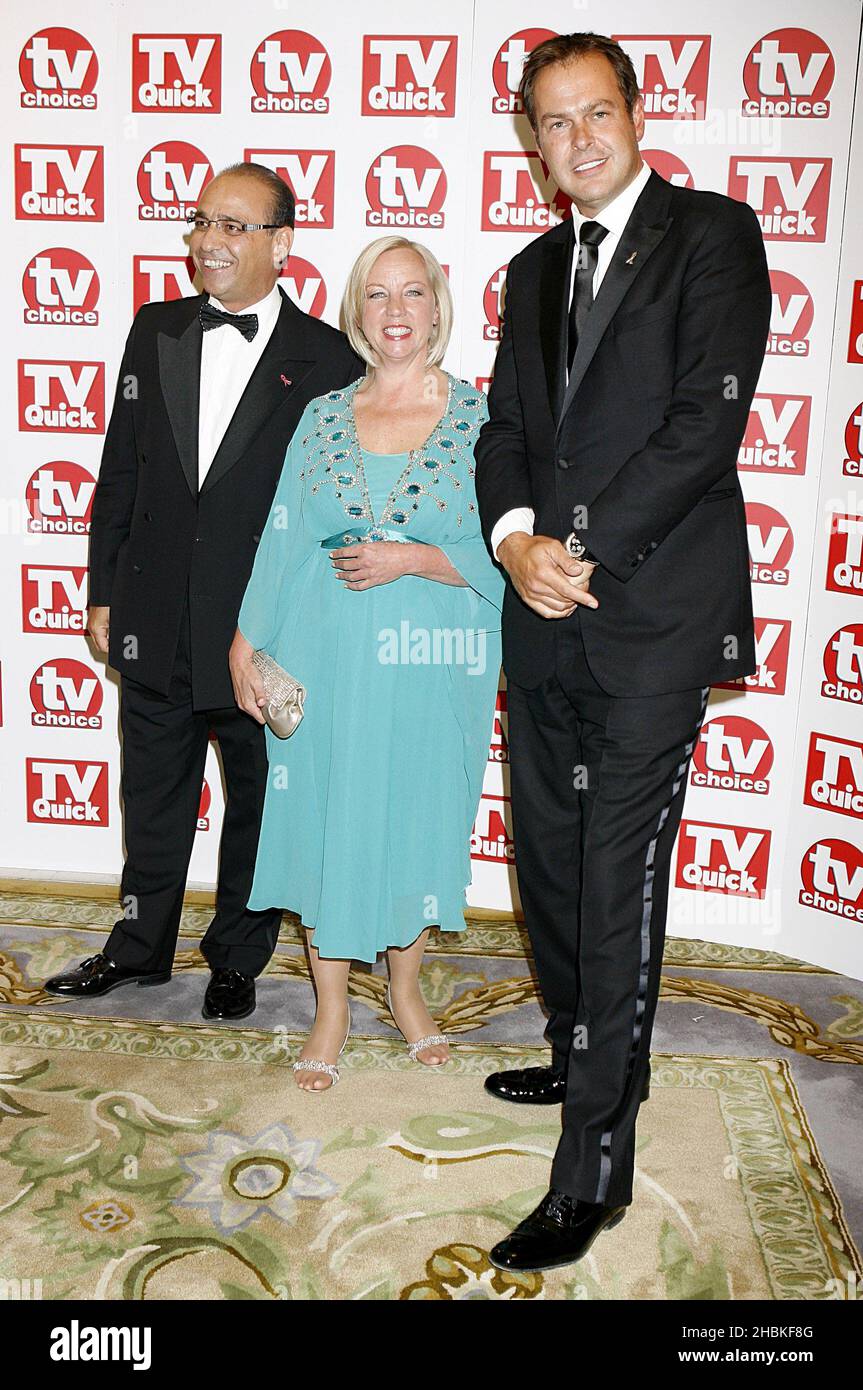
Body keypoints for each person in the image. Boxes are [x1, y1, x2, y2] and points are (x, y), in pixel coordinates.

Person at [474, 32, 771, 1271]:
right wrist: (510, 540)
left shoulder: (711, 234)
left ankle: (595, 1164)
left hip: (648, 617)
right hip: (539, 622)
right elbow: (501, 431)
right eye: (553, 121)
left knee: (615, 881)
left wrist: (572, 544)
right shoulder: (533, 268)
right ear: (533, 143)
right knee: (548, 872)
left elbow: (704, 420)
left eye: (596, 113)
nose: (578, 137)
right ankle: (580, 1047)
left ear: (635, 116)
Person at [44, 162, 363, 1021]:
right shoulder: (156, 330)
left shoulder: (328, 358)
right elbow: (121, 469)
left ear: (281, 244)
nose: (208, 241)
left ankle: (235, 958)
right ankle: (138, 945)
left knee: (257, 801)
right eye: (201, 222)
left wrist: (297, 630)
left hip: (257, 633)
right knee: (150, 793)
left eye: (232, 225)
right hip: (151, 615)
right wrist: (104, 590)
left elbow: (327, 507)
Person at [230, 236, 503, 1090]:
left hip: (434, 659)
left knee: (416, 815)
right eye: (377, 295)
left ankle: (408, 991)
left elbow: (509, 549)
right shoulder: (320, 416)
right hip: (325, 652)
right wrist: (246, 641)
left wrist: (417, 559)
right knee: (325, 818)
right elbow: (280, 535)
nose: (395, 312)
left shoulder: (481, 420)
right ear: (357, 313)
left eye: (411, 293)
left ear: (436, 306)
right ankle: (333, 1005)